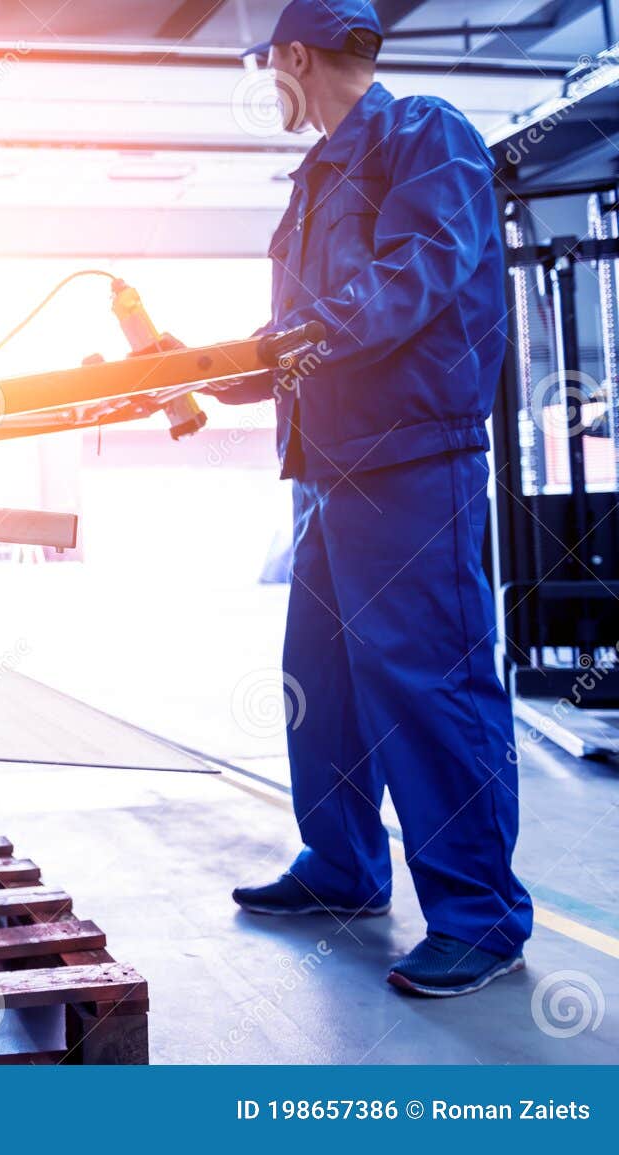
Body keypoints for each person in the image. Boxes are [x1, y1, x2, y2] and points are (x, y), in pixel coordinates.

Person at [214, 0, 533, 996]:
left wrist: (288, 343)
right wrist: (224, 368)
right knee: (323, 679)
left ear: (293, 56)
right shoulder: (312, 179)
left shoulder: (422, 134)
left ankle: (478, 917)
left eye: (268, 66)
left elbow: (415, 274)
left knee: (425, 680)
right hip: (325, 467)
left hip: (408, 463)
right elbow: (307, 333)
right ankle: (342, 867)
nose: (264, 84)